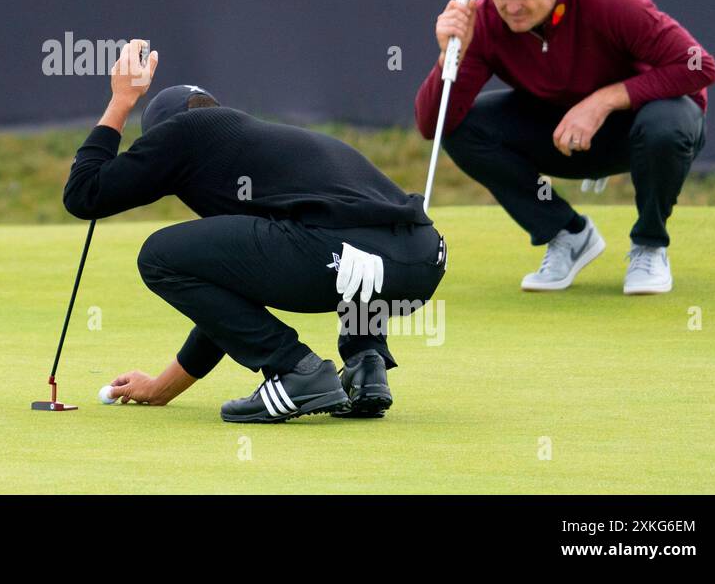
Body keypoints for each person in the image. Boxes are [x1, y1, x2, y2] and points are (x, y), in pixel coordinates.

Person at [62, 40, 447, 423]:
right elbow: (229, 303)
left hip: (345, 254)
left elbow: (84, 196)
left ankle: (297, 373)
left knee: (158, 256)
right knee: (345, 243)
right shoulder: (260, 152)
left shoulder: (181, 133)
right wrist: (162, 388)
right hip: (422, 261)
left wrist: (122, 100)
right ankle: (366, 367)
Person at [416, 0, 715, 295]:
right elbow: (433, 125)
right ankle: (567, 234)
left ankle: (649, 245)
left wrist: (603, 101)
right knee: (464, 127)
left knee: (664, 128)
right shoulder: (482, 22)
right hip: (561, 132)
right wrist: (451, 55)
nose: (511, 6)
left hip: (642, 124)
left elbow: (699, 66)